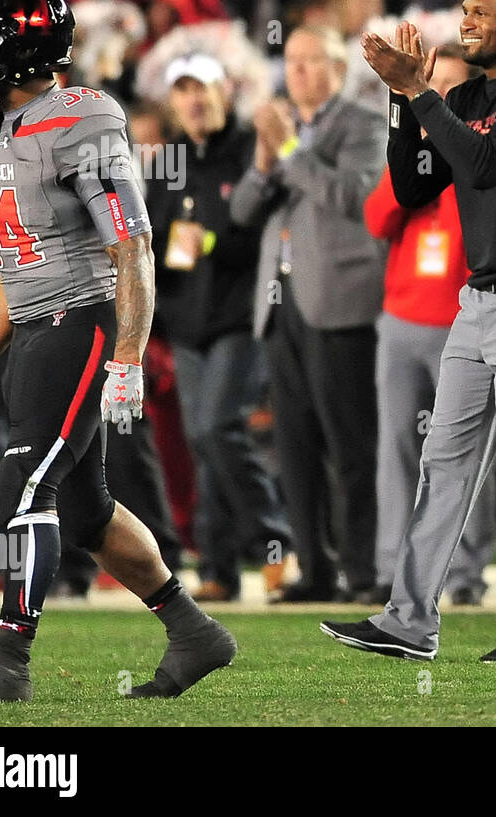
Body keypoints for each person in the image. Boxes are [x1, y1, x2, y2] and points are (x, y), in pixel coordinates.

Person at [0, 0, 235, 703]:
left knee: (23, 482)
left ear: (25, 47)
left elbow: (132, 244)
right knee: (86, 510)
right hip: (33, 326)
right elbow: (16, 262)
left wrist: (127, 354)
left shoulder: (83, 116)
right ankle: (195, 632)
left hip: (82, 320)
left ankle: (7, 663)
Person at [320, 0, 496, 663]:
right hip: (480, 296)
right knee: (442, 462)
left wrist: (419, 91)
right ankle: (409, 621)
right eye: (464, 8)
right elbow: (415, 184)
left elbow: (483, 163)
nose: (465, 19)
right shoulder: (466, 94)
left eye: (480, 11)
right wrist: (399, 102)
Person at [230, 24, 388, 603]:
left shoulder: (364, 123)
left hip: (340, 302)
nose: (296, 73)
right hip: (281, 304)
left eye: (309, 61)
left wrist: (291, 150)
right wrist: (265, 158)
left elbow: (354, 196)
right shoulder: (283, 129)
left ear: (338, 68)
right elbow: (244, 211)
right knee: (294, 448)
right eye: (289, 62)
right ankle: (316, 570)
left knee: (350, 444)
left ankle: (363, 570)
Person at [148, 52, 292, 602]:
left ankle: (276, 538)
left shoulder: (246, 150)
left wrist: (208, 241)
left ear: (224, 94)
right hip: (188, 322)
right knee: (203, 441)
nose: (193, 101)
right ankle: (218, 566)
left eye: (202, 89)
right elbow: (150, 238)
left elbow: (255, 230)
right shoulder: (167, 161)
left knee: (214, 429)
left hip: (239, 317)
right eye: (183, 91)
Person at [361, 43, 496, 607]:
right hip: (401, 320)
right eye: (426, 88)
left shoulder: (481, 154)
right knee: (397, 447)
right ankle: (393, 564)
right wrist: (415, 148)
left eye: (444, 91)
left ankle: (464, 570)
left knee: (464, 449)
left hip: (463, 319)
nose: (433, 98)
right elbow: (376, 217)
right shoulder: (411, 155)